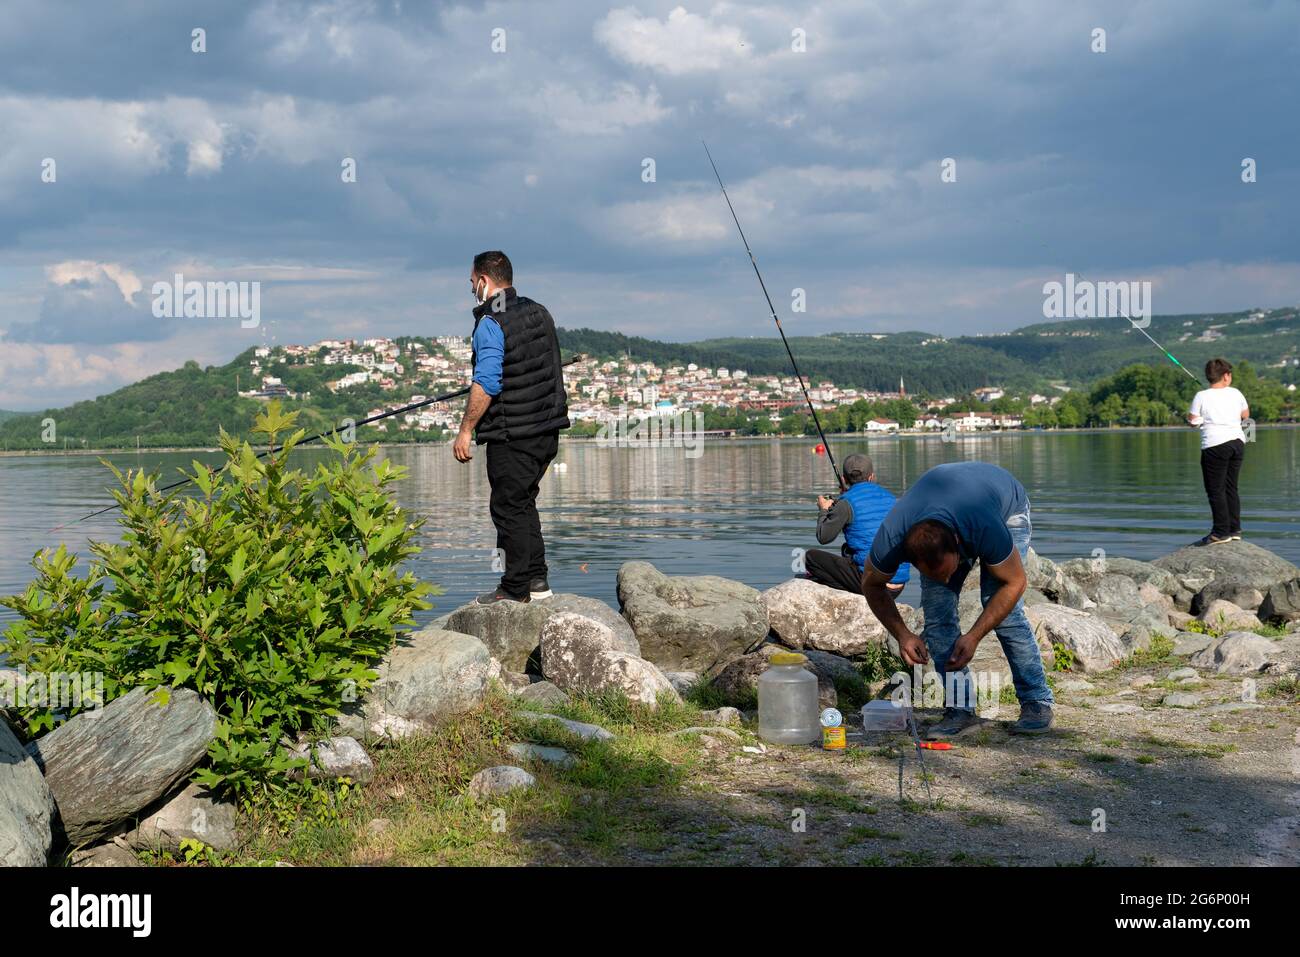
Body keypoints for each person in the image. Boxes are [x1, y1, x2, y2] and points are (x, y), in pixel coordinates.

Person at [860, 461, 1054, 738]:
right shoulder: (893, 538)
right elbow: (872, 585)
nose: (945, 580)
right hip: (944, 511)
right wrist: (903, 634)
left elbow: (1015, 582)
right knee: (938, 618)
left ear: (959, 547)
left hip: (1004, 503)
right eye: (933, 575)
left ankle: (1036, 701)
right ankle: (960, 710)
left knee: (1005, 612)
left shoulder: (984, 526)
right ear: (911, 558)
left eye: (947, 572)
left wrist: (974, 636)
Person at [452, 251, 570, 604]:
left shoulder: (491, 321)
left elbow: (487, 381)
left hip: (512, 433)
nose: (472, 288)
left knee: (507, 508)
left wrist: (466, 429)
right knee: (523, 503)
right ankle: (537, 581)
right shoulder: (539, 311)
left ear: (485, 282)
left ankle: (513, 587)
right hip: (547, 430)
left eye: (472, 282)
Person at [805, 453, 909, 596]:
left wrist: (823, 510)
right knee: (848, 550)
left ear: (843, 479)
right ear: (872, 476)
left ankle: (844, 590)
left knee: (811, 558)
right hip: (898, 585)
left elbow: (823, 537)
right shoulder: (892, 499)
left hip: (874, 586)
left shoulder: (845, 503)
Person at [1187, 357, 1249, 546]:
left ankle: (1220, 532)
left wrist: (1198, 420)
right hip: (1237, 443)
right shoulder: (1236, 393)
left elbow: (1193, 420)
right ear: (1226, 376)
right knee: (1231, 487)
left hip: (1215, 446)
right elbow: (1245, 415)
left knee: (1216, 490)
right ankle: (1234, 529)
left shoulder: (1201, 396)